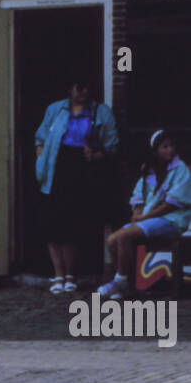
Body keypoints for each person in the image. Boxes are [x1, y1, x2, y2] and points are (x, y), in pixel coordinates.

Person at [34, 78, 118, 295]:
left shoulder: (101, 112)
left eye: (87, 87)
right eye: (79, 87)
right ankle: (58, 274)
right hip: (55, 170)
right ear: (70, 88)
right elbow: (40, 138)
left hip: (82, 171)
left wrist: (96, 155)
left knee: (73, 223)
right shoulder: (55, 109)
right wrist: (40, 163)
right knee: (52, 223)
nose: (83, 91)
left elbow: (112, 145)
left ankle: (71, 274)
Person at [98, 129, 191, 300]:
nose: (170, 149)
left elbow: (171, 204)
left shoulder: (181, 169)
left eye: (172, 146)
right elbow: (139, 197)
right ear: (155, 151)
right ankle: (125, 283)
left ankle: (120, 281)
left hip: (171, 221)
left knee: (124, 236)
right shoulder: (149, 171)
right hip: (149, 220)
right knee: (112, 240)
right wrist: (137, 212)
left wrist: (144, 218)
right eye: (165, 146)